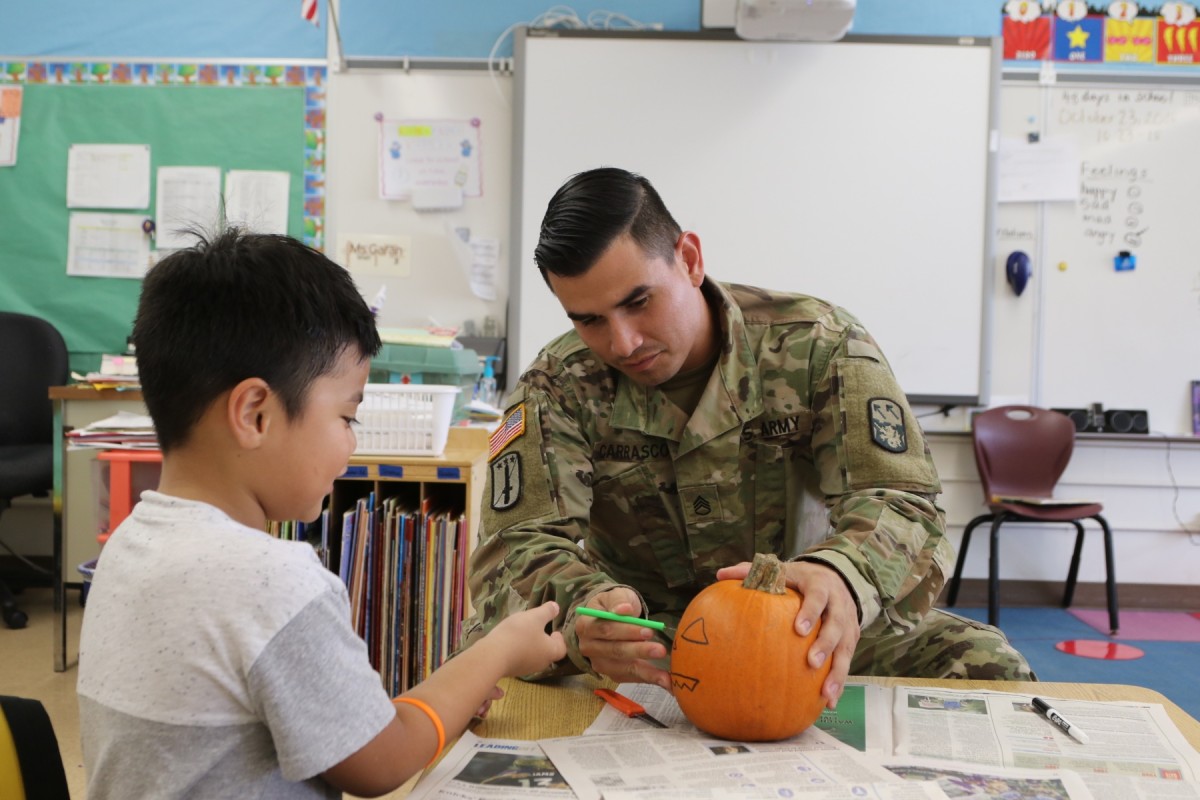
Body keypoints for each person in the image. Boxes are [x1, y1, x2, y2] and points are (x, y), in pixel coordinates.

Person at [463, 167, 1032, 711]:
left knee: (984, 665)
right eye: (588, 320)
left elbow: (901, 503)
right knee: (480, 672)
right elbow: (515, 550)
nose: (624, 341)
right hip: (644, 641)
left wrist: (842, 574)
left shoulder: (820, 345)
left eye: (639, 301)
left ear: (689, 258)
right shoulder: (557, 386)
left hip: (801, 623)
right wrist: (585, 611)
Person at [76, 229, 566, 799]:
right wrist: (500, 649)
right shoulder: (272, 580)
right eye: (347, 418)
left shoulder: (129, 546)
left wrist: (456, 683)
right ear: (255, 413)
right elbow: (381, 764)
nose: (351, 445)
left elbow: (353, 733)